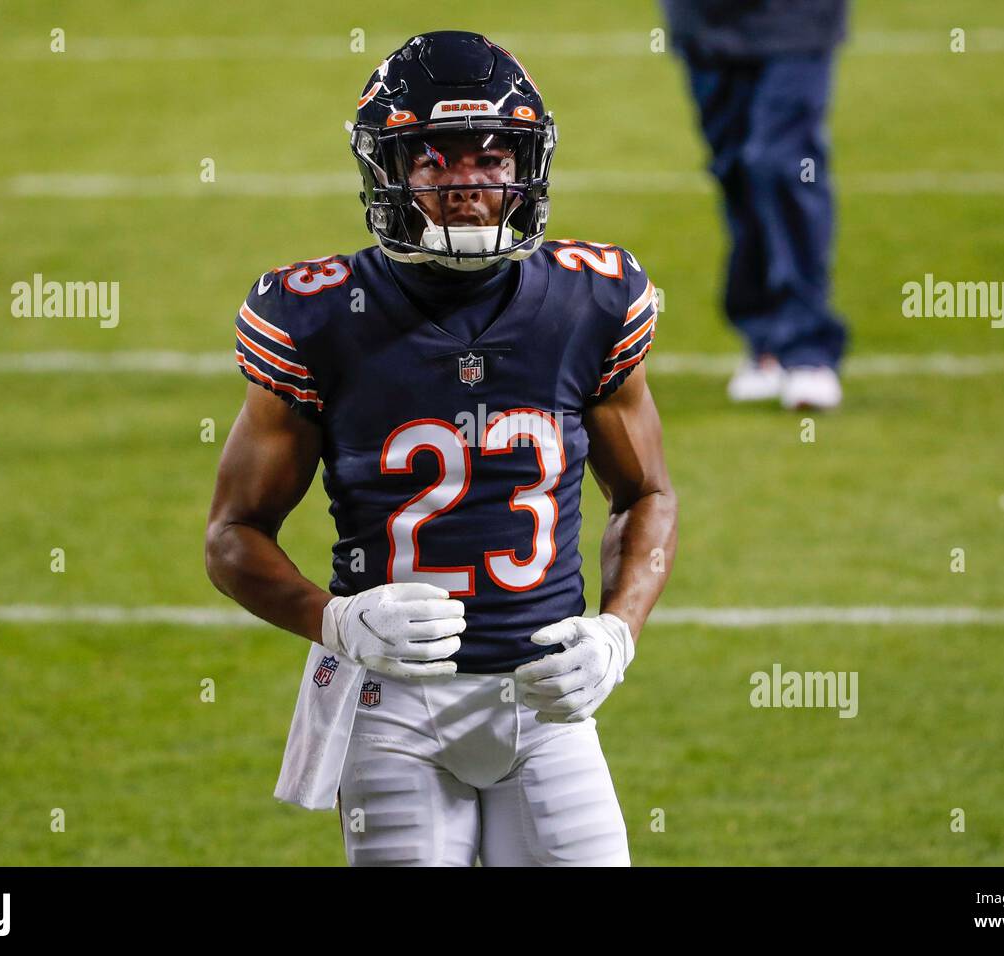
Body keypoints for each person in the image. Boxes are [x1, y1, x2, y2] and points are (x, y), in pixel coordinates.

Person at [205, 31, 677, 866]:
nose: (468, 185)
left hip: (545, 701)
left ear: (527, 165)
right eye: (436, 162)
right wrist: (336, 621)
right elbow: (232, 535)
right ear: (389, 170)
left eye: (492, 160)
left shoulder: (590, 301)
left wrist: (618, 633)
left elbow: (645, 496)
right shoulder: (316, 315)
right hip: (392, 706)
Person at [663, 0, 850, 409]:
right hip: (706, 20)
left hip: (796, 17)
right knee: (735, 171)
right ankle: (765, 338)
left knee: (782, 164)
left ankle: (807, 349)